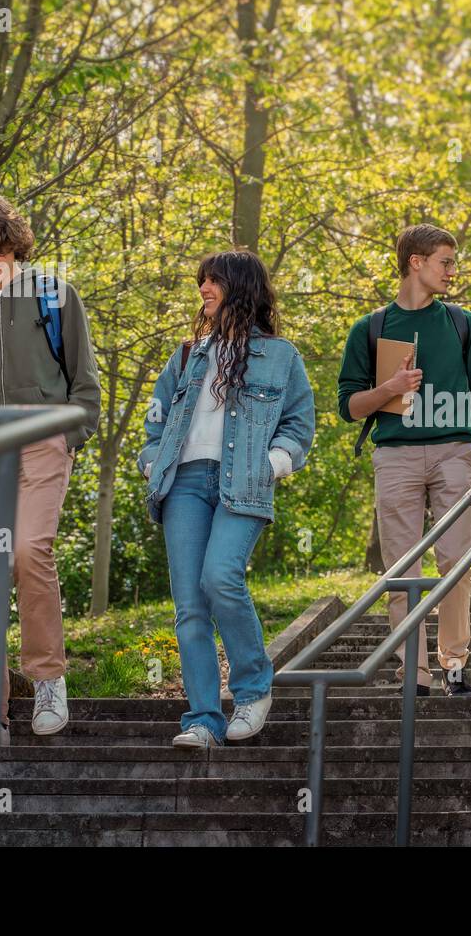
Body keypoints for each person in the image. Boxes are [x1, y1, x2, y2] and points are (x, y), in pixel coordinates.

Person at [0, 194, 101, 748]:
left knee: (30, 550)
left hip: (40, 442)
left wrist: (66, 436)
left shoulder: (56, 298)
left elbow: (85, 387)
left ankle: (49, 681)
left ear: (14, 247)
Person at [138, 250, 314, 748]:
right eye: (202, 281)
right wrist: (154, 463)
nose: (204, 289)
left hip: (243, 484)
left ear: (241, 287)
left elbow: (300, 426)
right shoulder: (187, 354)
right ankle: (202, 719)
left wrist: (271, 466)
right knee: (190, 605)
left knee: (220, 576)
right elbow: (154, 424)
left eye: (214, 280)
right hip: (184, 484)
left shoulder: (282, 356)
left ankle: (254, 689)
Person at [337, 223, 471, 697]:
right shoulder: (371, 328)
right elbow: (349, 406)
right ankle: (412, 670)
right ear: (416, 262)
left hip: (454, 451)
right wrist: (390, 390)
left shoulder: (464, 323)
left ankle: (454, 662)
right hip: (394, 456)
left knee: (457, 560)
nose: (453, 272)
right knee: (402, 568)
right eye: (446, 262)